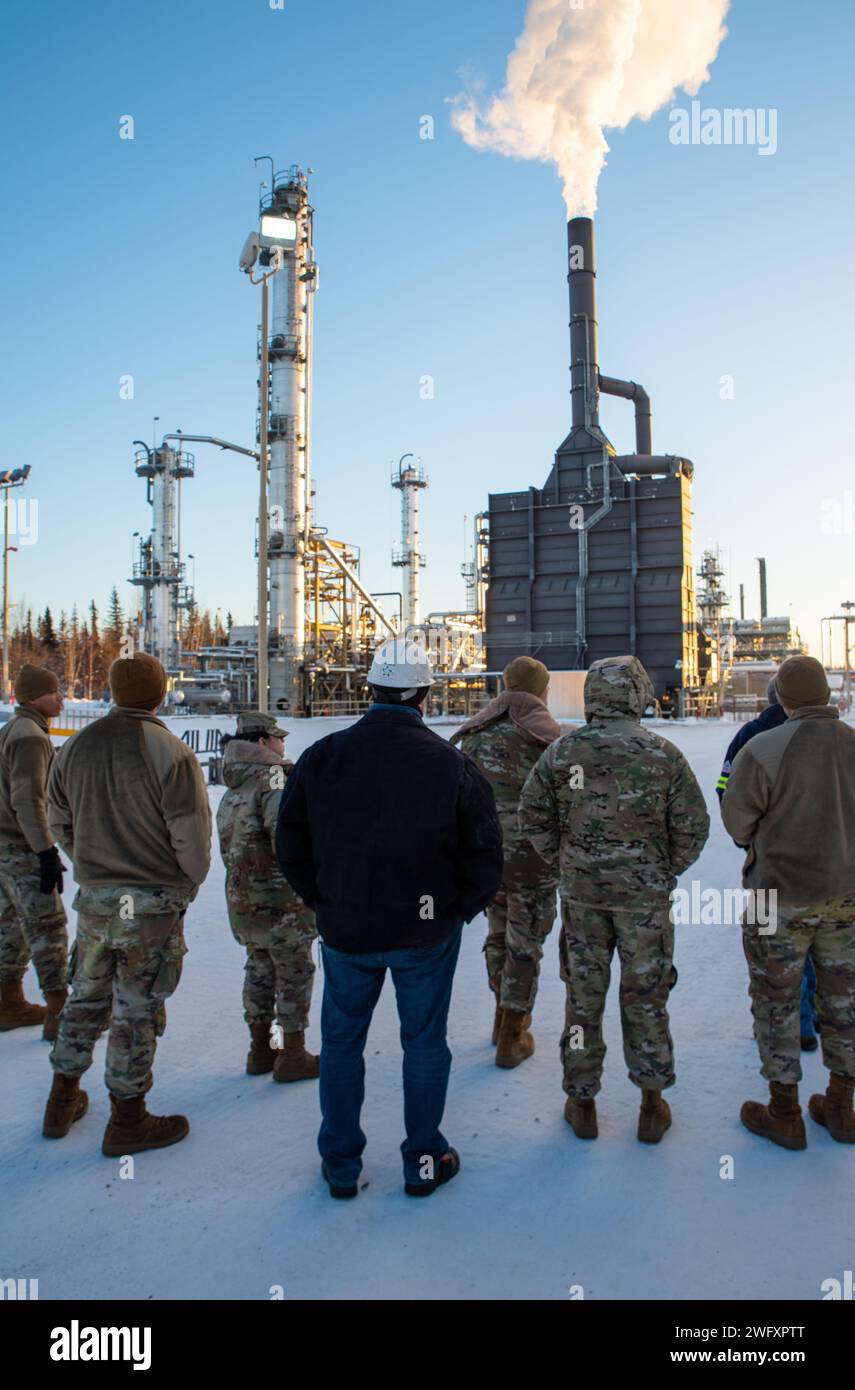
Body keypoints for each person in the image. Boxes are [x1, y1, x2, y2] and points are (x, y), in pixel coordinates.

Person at [276, 637, 502, 1199]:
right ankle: (423, 1161)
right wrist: (455, 912)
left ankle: (340, 1166)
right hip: (424, 932)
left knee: (341, 1043)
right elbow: (485, 855)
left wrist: (323, 899)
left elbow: (290, 843)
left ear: (371, 688)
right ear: (425, 695)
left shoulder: (321, 758)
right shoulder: (452, 765)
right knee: (424, 1043)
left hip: (346, 928)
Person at [519, 656, 709, 1143]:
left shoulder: (563, 752)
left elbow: (533, 814)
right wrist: (660, 870)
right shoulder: (662, 754)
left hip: (583, 898)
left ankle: (581, 1101)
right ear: (636, 694)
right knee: (646, 998)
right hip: (644, 902)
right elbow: (693, 826)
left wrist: (567, 862)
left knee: (583, 999)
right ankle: (651, 1104)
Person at [42, 652, 211, 1155]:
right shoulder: (171, 751)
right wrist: (186, 882)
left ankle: (61, 1100)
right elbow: (191, 838)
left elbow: (57, 819)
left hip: (97, 903)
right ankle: (128, 1120)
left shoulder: (76, 747)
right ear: (160, 693)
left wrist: (91, 863)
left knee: (86, 996)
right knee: (136, 1008)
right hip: (149, 907)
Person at [722, 654, 855, 1150]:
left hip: (774, 898)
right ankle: (841, 1106)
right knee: (844, 1002)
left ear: (782, 696)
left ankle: (784, 1113)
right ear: (825, 692)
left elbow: (737, 823)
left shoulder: (763, 748)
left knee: (774, 1001)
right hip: (846, 897)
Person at [451, 655, 560, 1067]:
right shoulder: (544, 735)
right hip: (532, 857)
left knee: (498, 934)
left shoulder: (476, 734)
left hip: (486, 855)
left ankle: (501, 1016)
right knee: (525, 942)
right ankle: (513, 1033)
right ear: (539, 690)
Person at [717, 676, 818, 1052]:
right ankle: (817, 1017)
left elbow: (726, 789)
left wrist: (747, 840)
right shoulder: (830, 736)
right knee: (820, 944)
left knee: (772, 953)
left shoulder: (750, 736)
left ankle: (793, 1025)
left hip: (770, 862)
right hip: (826, 863)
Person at [216, 711, 318, 1081]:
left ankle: (260, 1049)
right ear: (262, 742)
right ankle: (292, 1055)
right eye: (277, 737)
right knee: (293, 971)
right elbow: (284, 834)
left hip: (244, 897)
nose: (283, 743)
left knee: (259, 968)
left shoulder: (235, 784)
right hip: (281, 897)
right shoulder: (273, 777)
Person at [0, 664, 69, 1039]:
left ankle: (8, 1002)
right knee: (47, 928)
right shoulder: (30, 737)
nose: (61, 698)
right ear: (32, 697)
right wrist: (45, 852)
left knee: (10, 926)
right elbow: (28, 801)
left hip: (5, 848)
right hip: (23, 848)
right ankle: (59, 1010)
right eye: (53, 692)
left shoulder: (13, 729)